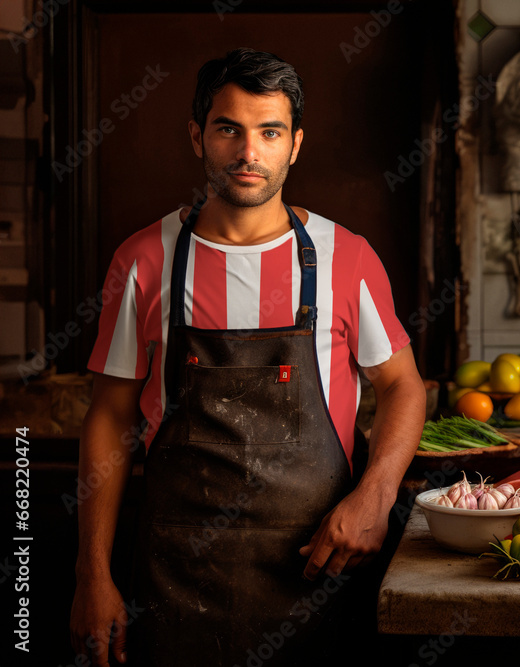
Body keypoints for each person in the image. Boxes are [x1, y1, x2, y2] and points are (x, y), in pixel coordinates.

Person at [69, 47, 426, 666]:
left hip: (318, 567)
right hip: (173, 578)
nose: (248, 152)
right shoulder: (144, 259)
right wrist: (91, 576)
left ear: (295, 144)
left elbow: (402, 386)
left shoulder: (345, 258)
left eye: (269, 131)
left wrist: (376, 496)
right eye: (228, 128)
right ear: (197, 135)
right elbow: (108, 416)